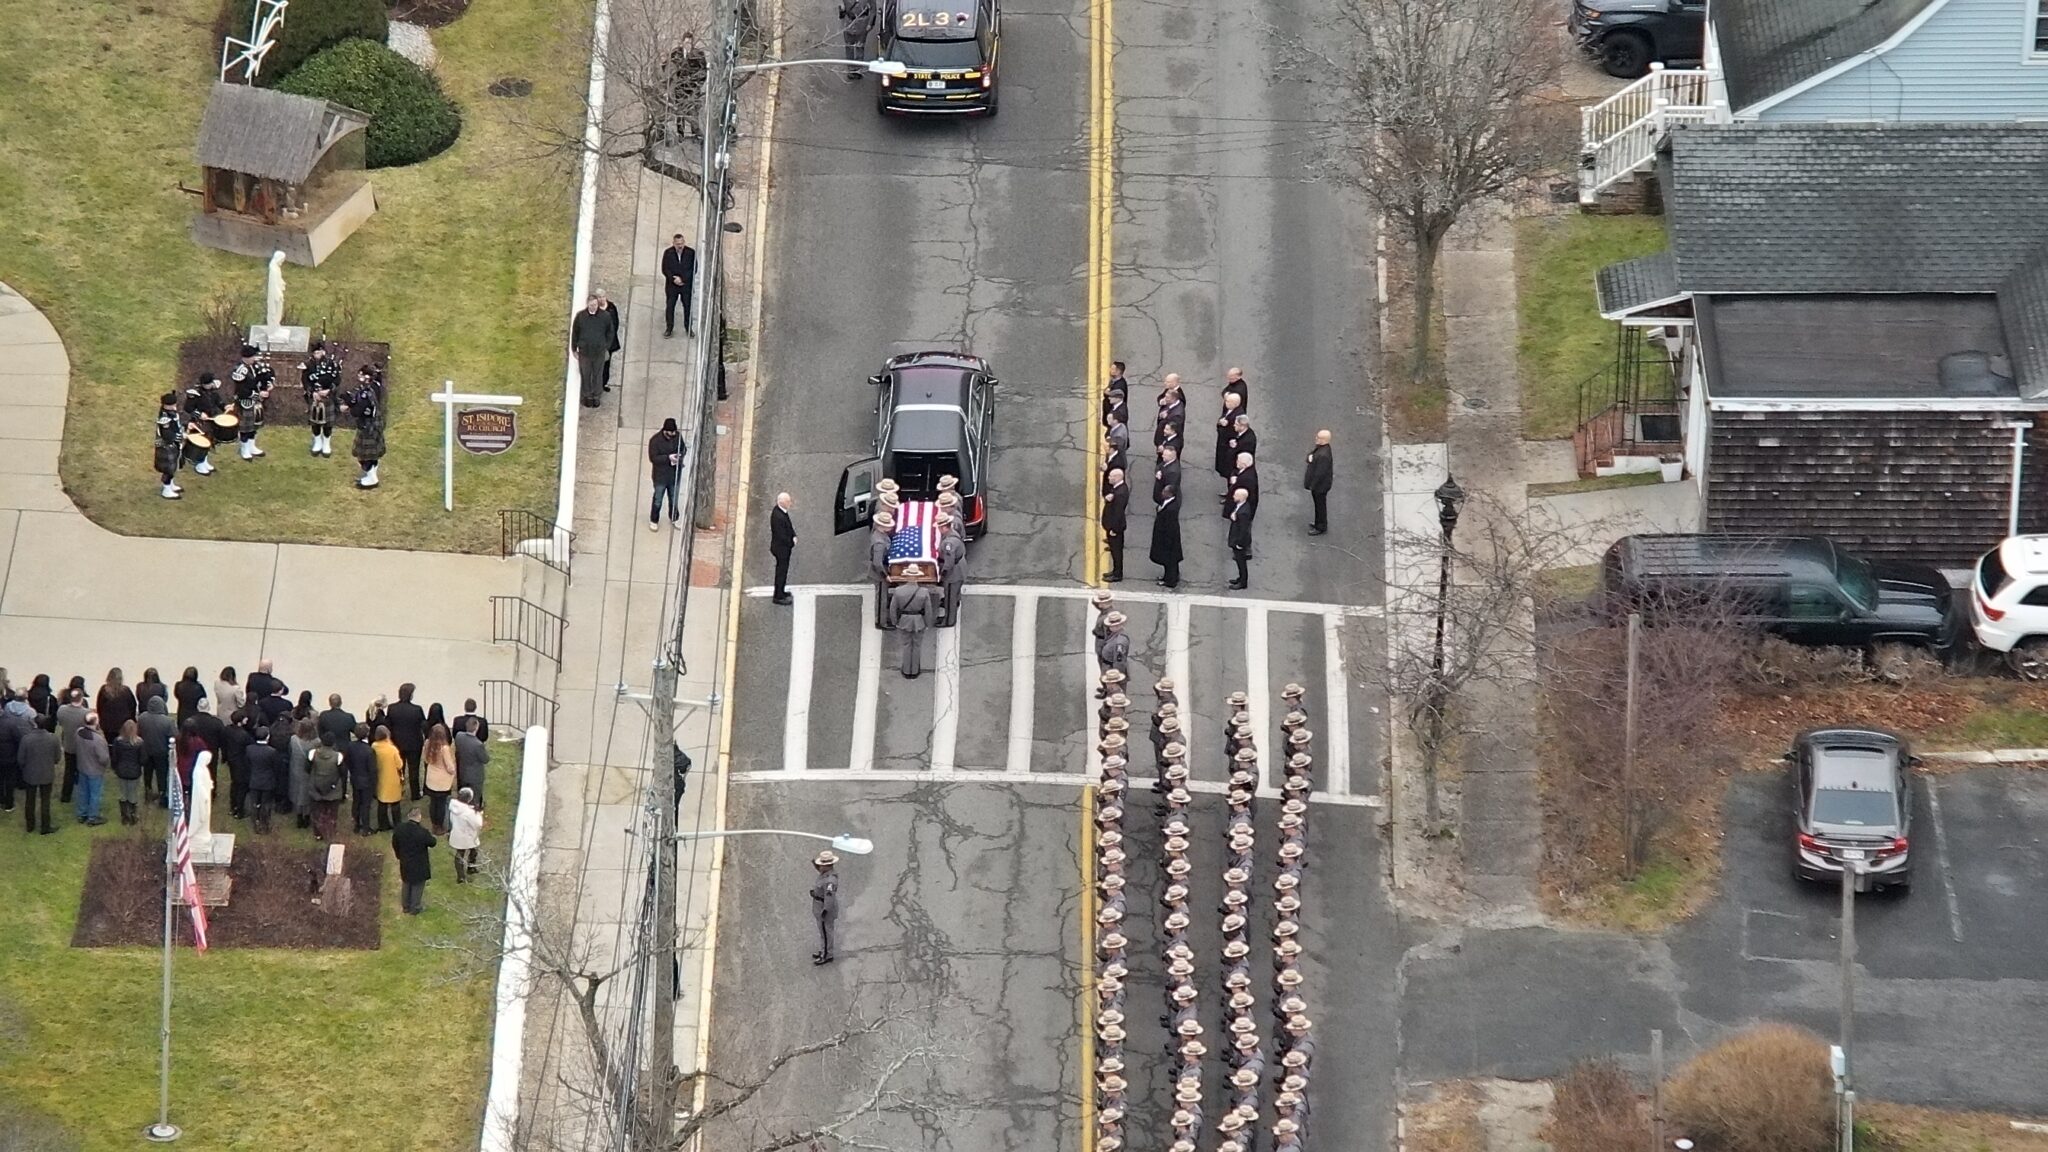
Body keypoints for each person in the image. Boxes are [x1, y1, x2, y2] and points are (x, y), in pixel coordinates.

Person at [229, 343, 273, 460]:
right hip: (245, 400)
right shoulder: (240, 370)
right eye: (253, 357)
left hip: (256, 400)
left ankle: (251, 446)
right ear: (246, 358)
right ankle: (244, 449)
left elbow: (264, 376)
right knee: (245, 427)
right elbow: (241, 390)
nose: (255, 358)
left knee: (254, 425)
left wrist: (268, 385)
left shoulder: (254, 366)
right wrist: (259, 394)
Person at [344, 364, 386, 489]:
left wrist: (349, 407)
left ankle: (372, 478)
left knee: (364, 455)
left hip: (368, 426)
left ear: (367, 377)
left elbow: (358, 410)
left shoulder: (366, 393)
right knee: (372, 454)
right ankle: (371, 475)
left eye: (361, 374)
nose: (359, 376)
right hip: (375, 424)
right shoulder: (375, 386)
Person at [392, 808, 438, 915]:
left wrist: (398, 855)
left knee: (406, 882)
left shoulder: (400, 829)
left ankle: (406, 906)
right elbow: (432, 842)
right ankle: (415, 907)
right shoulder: (422, 832)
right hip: (419, 862)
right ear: (419, 817)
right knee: (418, 884)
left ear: (408, 816)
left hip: (405, 860)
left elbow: (395, 843)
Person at [385, 684, 427, 800]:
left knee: (399, 769)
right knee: (414, 769)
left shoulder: (392, 708)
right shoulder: (417, 709)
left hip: (397, 743)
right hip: (414, 743)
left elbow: (388, 724)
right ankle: (415, 793)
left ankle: (398, 791)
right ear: (410, 695)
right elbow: (423, 725)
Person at [300, 341, 342, 457]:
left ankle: (326, 444)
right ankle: (317, 442)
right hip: (314, 397)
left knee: (328, 423)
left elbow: (337, 380)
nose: (317, 354)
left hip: (328, 396)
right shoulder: (308, 364)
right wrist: (312, 392)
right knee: (315, 422)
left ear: (323, 351)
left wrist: (329, 391)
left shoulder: (332, 364)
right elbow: (304, 380)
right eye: (315, 352)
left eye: (319, 352)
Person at [888, 573, 934, 678]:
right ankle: (915, 670)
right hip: (918, 621)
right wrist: (927, 623)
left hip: (904, 621)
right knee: (917, 646)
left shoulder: (899, 591)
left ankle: (906, 670)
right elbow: (928, 610)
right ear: (917, 578)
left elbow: (893, 608)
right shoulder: (924, 592)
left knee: (906, 645)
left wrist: (895, 621)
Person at [20, 715, 58, 834]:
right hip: (47, 774)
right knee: (45, 801)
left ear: (35, 724)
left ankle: (30, 825)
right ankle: (45, 827)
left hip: (30, 774)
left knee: (30, 800)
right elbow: (57, 758)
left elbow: (21, 759)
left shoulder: (26, 739)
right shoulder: (53, 738)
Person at [647, 418, 685, 529]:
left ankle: (674, 517)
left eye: (674, 433)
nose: (673, 435)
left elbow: (683, 449)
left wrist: (680, 456)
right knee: (658, 499)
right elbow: (653, 458)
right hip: (660, 476)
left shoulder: (678, 436)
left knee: (674, 498)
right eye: (670, 433)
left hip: (674, 474)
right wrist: (668, 458)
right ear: (665, 431)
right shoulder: (655, 441)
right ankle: (654, 520)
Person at [73, 714, 109, 826]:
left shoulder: (78, 732)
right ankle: (92, 817)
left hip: (82, 767)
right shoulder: (98, 739)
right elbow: (103, 758)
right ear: (96, 722)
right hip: (95, 770)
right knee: (95, 794)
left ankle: (82, 814)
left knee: (83, 792)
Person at [138, 696, 174, 807]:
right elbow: (174, 736)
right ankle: (162, 795)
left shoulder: (142, 717)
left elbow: (139, 732)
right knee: (162, 774)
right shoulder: (168, 721)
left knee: (147, 773)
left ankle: (148, 793)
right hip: (161, 752)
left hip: (146, 750)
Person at [309, 731, 344, 840]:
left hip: (316, 787)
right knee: (332, 812)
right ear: (333, 743)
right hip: (333, 788)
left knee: (317, 811)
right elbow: (342, 773)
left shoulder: (313, 753)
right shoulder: (338, 756)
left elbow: (307, 768)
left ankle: (318, 834)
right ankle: (330, 832)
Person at [54, 689, 87, 805]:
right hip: (81, 747)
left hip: (68, 744)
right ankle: (82, 795)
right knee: (82, 771)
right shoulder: (85, 713)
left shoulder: (62, 710)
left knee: (69, 771)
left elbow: (60, 723)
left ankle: (65, 796)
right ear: (81, 698)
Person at [660, 233, 696, 337]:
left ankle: (688, 328)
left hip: (686, 286)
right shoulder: (668, 253)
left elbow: (694, 268)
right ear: (674, 243)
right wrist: (673, 279)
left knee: (688, 307)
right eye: (677, 244)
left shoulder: (691, 253)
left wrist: (683, 279)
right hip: (672, 286)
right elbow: (665, 268)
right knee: (670, 307)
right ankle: (669, 328)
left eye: (681, 243)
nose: (680, 246)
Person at [423, 723, 456, 833]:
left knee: (433, 802)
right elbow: (449, 766)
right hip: (442, 781)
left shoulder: (428, 743)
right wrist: (453, 772)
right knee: (441, 804)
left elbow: (426, 759)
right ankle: (439, 826)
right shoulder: (444, 748)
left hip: (431, 778)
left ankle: (434, 824)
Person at [111, 719, 145, 826]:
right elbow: (143, 759)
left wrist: (115, 768)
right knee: (133, 794)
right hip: (134, 772)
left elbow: (115, 757)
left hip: (121, 770)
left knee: (123, 793)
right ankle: (133, 816)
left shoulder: (118, 741)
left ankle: (124, 817)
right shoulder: (139, 743)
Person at [246, 726, 279, 834]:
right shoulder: (272, 751)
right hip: (267, 781)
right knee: (266, 803)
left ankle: (255, 822)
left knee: (255, 803)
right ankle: (265, 824)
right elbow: (275, 767)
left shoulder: (249, 749)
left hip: (254, 780)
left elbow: (248, 763)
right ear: (267, 737)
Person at [346, 722, 377, 835]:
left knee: (356, 802)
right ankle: (366, 827)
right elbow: (372, 769)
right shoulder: (369, 750)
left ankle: (356, 825)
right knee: (365, 804)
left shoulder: (350, 746)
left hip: (355, 778)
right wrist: (374, 784)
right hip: (366, 781)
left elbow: (348, 762)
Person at [810, 849, 841, 965]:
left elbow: (829, 898)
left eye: (821, 865)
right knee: (823, 932)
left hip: (824, 909)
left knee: (826, 932)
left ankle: (827, 955)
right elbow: (820, 871)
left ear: (827, 866)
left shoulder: (830, 881)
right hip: (819, 905)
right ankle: (824, 950)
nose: (819, 867)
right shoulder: (825, 874)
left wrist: (825, 910)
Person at [153, 391, 185, 499]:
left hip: (173, 445)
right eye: (172, 404)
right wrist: (179, 437)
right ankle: (166, 490)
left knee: (173, 466)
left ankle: (171, 485)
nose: (174, 406)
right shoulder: (164, 418)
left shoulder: (171, 413)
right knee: (168, 469)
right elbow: (167, 435)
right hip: (166, 446)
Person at [372, 725, 404, 832]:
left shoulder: (374, 746)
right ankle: (397, 824)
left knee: (382, 802)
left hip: (380, 777)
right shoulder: (392, 749)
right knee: (395, 803)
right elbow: (399, 764)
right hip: (392, 778)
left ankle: (383, 825)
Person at [935, 519, 966, 627]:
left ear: (944, 527)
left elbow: (949, 563)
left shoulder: (949, 543)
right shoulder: (952, 534)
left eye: (939, 527)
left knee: (950, 598)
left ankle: (948, 621)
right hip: (959, 568)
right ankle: (950, 617)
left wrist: (942, 575)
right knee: (954, 595)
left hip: (953, 573)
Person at [1152, 484, 1183, 589]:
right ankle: (1170, 576)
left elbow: (1169, 525)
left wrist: (1167, 541)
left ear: (1170, 494)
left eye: (1165, 492)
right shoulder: (1168, 503)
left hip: (1168, 538)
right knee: (1170, 560)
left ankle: (1170, 580)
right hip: (1168, 537)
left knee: (1169, 560)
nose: (1162, 493)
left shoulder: (1171, 509)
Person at [453, 718, 490, 809]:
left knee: (463, 796)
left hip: (463, 771)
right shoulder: (478, 744)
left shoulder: (459, 736)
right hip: (475, 776)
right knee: (475, 797)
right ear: (476, 728)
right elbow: (485, 759)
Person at [449, 787, 483, 882]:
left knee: (460, 854)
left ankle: (461, 876)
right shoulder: (469, 812)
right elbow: (478, 824)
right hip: (468, 835)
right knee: (473, 851)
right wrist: (478, 814)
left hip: (457, 833)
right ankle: (470, 868)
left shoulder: (453, 806)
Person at [1102, 466, 1130, 583]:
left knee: (1117, 552)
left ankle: (1117, 574)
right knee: (1114, 550)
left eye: (1111, 476)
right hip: (1112, 525)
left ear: (1118, 478)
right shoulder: (1118, 489)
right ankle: (1115, 571)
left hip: (1115, 528)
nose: (1108, 477)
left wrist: (1114, 529)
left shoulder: (1120, 493)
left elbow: (1118, 513)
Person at [1303, 429, 1333, 535]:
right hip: (1319, 485)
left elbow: (1320, 473)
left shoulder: (1323, 455)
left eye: (1319, 437)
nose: (1316, 438)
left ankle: (1321, 526)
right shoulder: (1321, 449)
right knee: (1318, 504)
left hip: (1321, 486)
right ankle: (1318, 522)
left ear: (1324, 440)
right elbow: (1311, 455)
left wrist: (1312, 485)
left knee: (1320, 505)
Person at [769, 491, 797, 605]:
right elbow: (781, 535)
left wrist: (793, 534)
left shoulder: (781, 511)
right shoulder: (778, 516)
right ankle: (778, 596)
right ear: (782, 502)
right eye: (788, 501)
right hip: (781, 549)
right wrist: (792, 542)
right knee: (781, 572)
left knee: (783, 571)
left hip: (783, 548)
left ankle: (781, 591)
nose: (790, 503)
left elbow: (789, 526)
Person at [96, 669, 136, 741]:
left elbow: (99, 707)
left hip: (107, 726)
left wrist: (102, 720)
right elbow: (133, 706)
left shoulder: (104, 691)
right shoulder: (126, 691)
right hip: (123, 726)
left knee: (110, 745)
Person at [839, 0, 875, 78]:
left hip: (862, 24)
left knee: (860, 46)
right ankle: (851, 70)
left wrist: (870, 24)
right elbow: (842, 8)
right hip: (848, 23)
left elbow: (873, 10)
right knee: (849, 47)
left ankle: (858, 70)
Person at [1228, 487, 1254, 590]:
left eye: (1235, 495)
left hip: (1239, 541)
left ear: (1241, 497)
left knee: (1241, 562)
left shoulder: (1243, 512)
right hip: (1237, 537)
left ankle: (1243, 582)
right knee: (1239, 561)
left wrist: (1239, 543)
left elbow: (1244, 530)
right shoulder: (1241, 506)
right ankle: (1241, 578)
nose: (1233, 496)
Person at [1214, 391, 1244, 479]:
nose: (1225, 403)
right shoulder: (1230, 410)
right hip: (1223, 442)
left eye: (1228, 401)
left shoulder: (1237, 415)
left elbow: (1234, 432)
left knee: (1228, 469)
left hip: (1227, 444)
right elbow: (1222, 417)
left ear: (1235, 403)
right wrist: (1220, 422)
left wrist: (1224, 425)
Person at [1227, 451, 1260, 518]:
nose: (1236, 462)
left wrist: (1235, 482)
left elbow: (1243, 495)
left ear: (1244, 465)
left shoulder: (1246, 479)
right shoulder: (1248, 470)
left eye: (1238, 461)